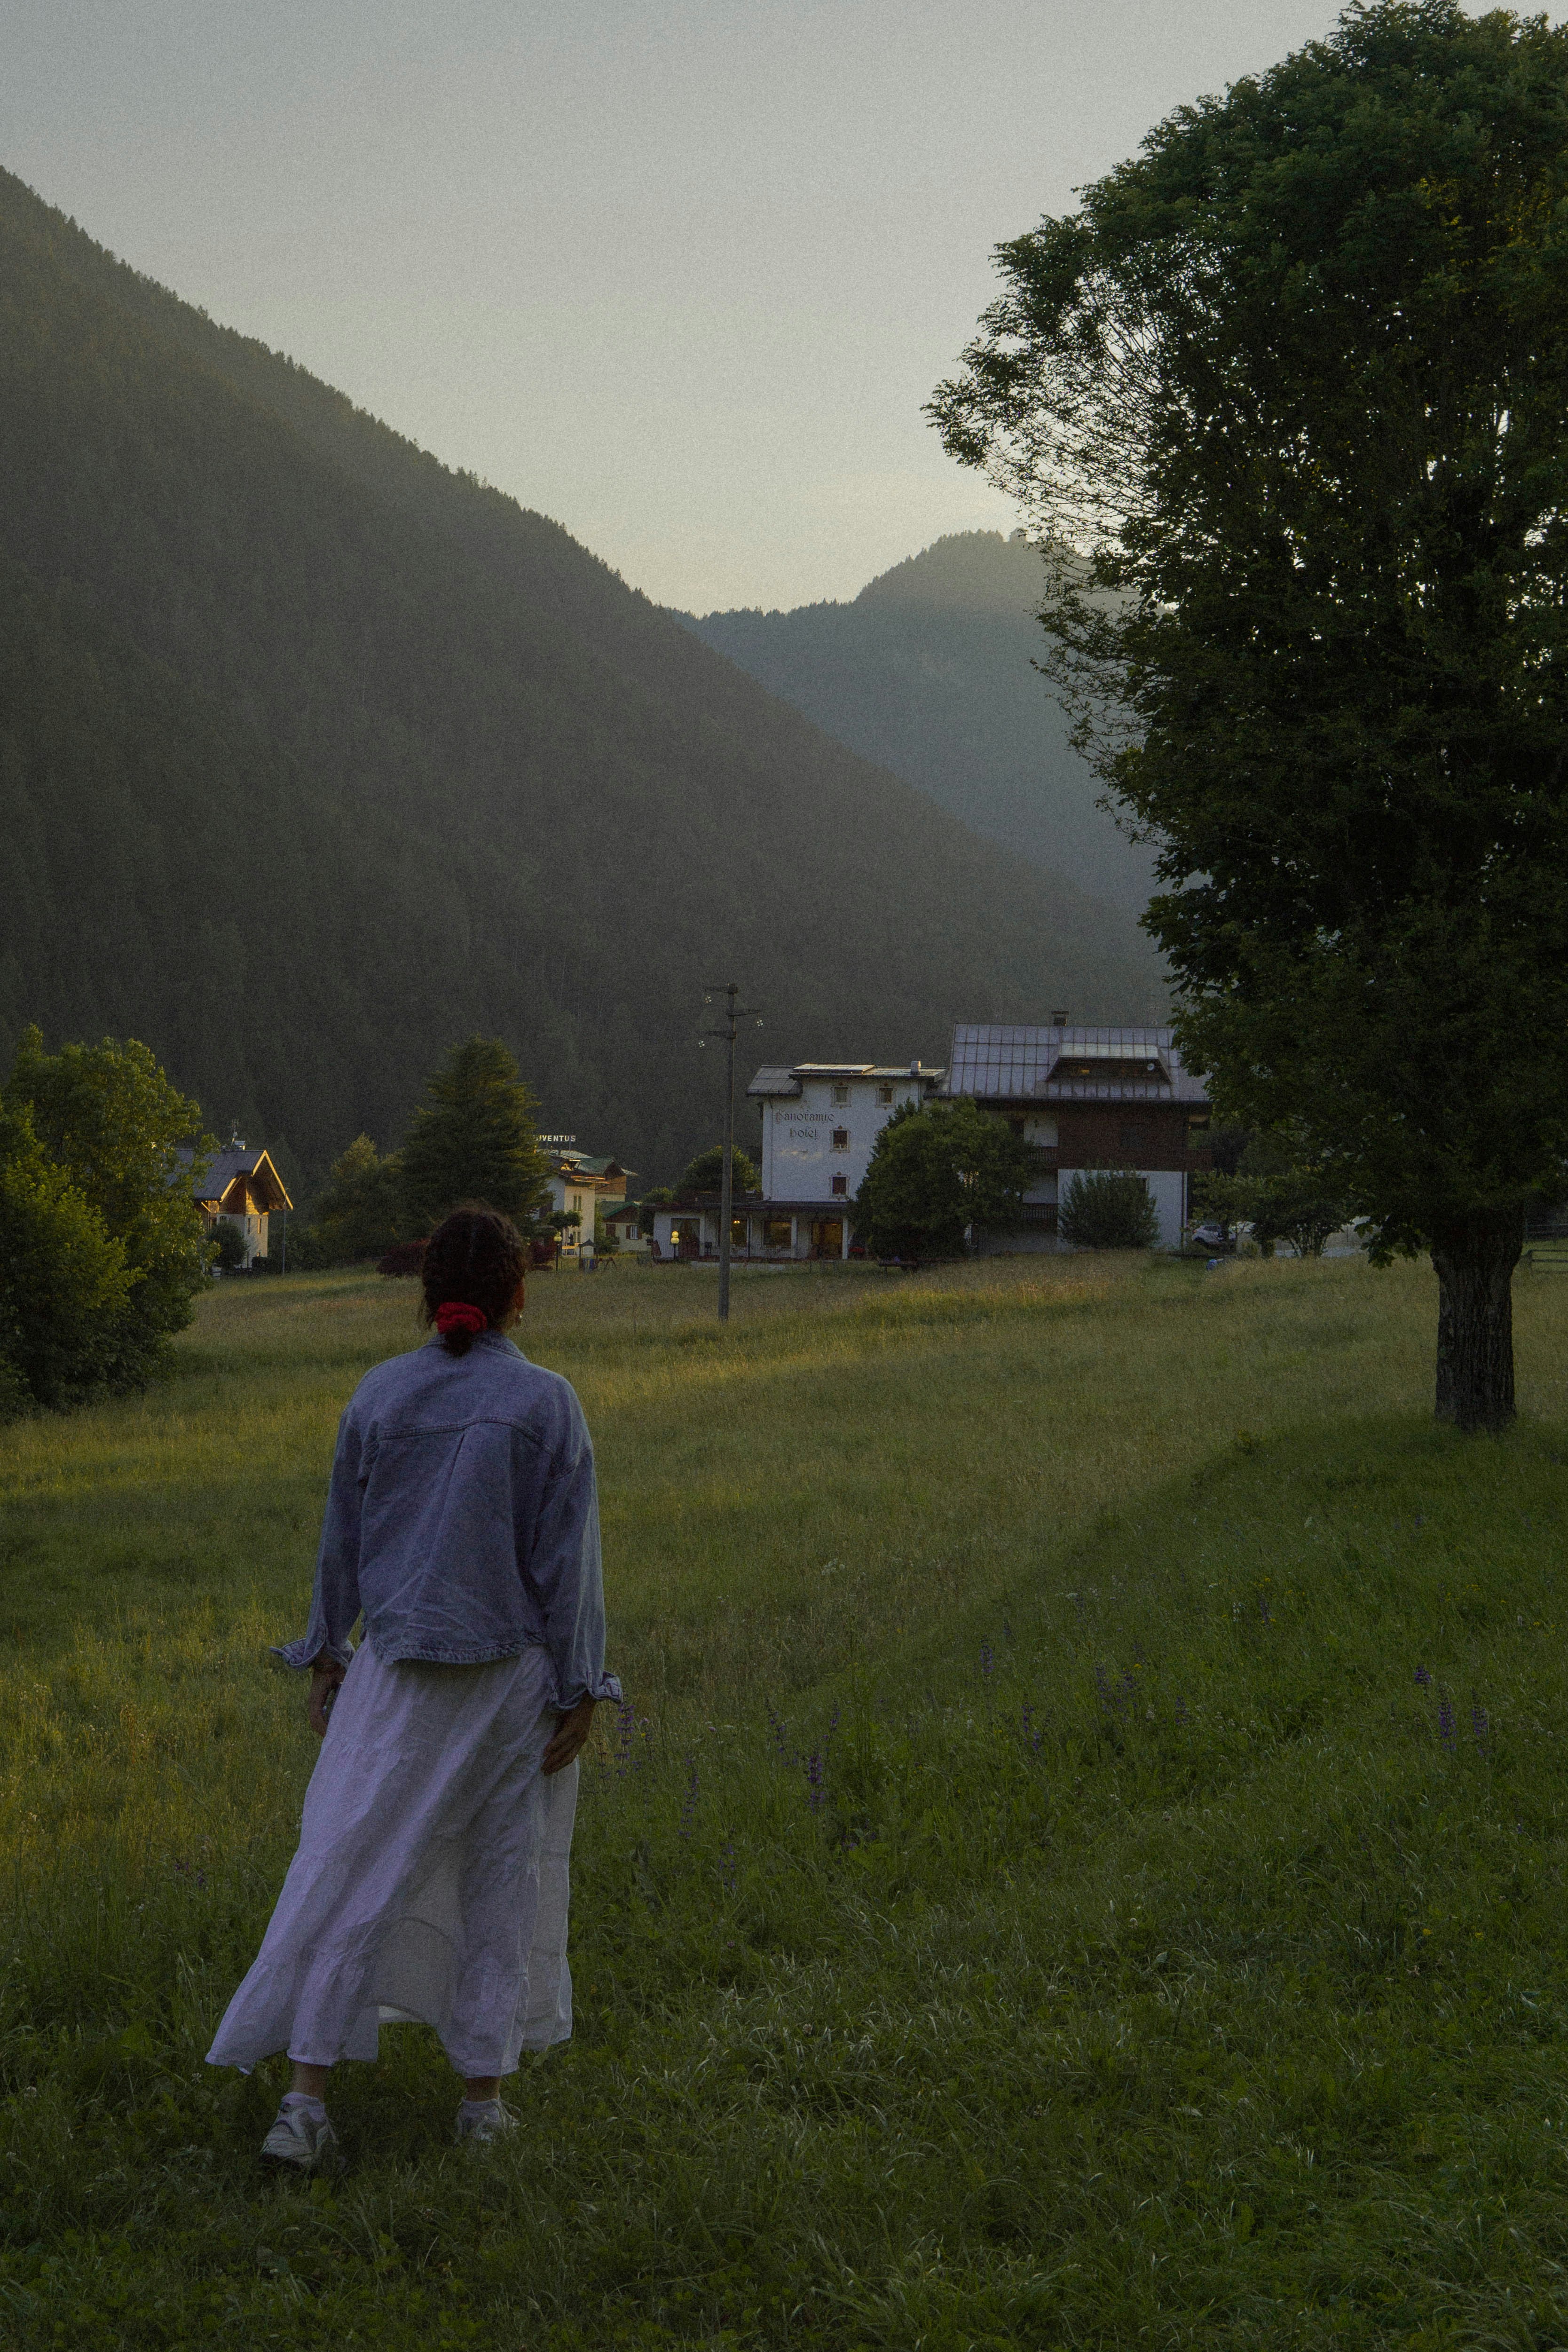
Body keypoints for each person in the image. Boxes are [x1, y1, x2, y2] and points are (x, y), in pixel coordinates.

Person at [206, 1204, 619, 2168]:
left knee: (349, 1871)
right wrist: (582, 1685)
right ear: (519, 1295)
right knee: (499, 1881)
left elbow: (341, 1541)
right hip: (508, 1687)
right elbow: (570, 1566)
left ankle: (304, 2103)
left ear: (429, 1297)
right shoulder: (548, 1403)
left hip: (391, 1679)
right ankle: (482, 2104)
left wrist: (327, 1653)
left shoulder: (380, 1394)